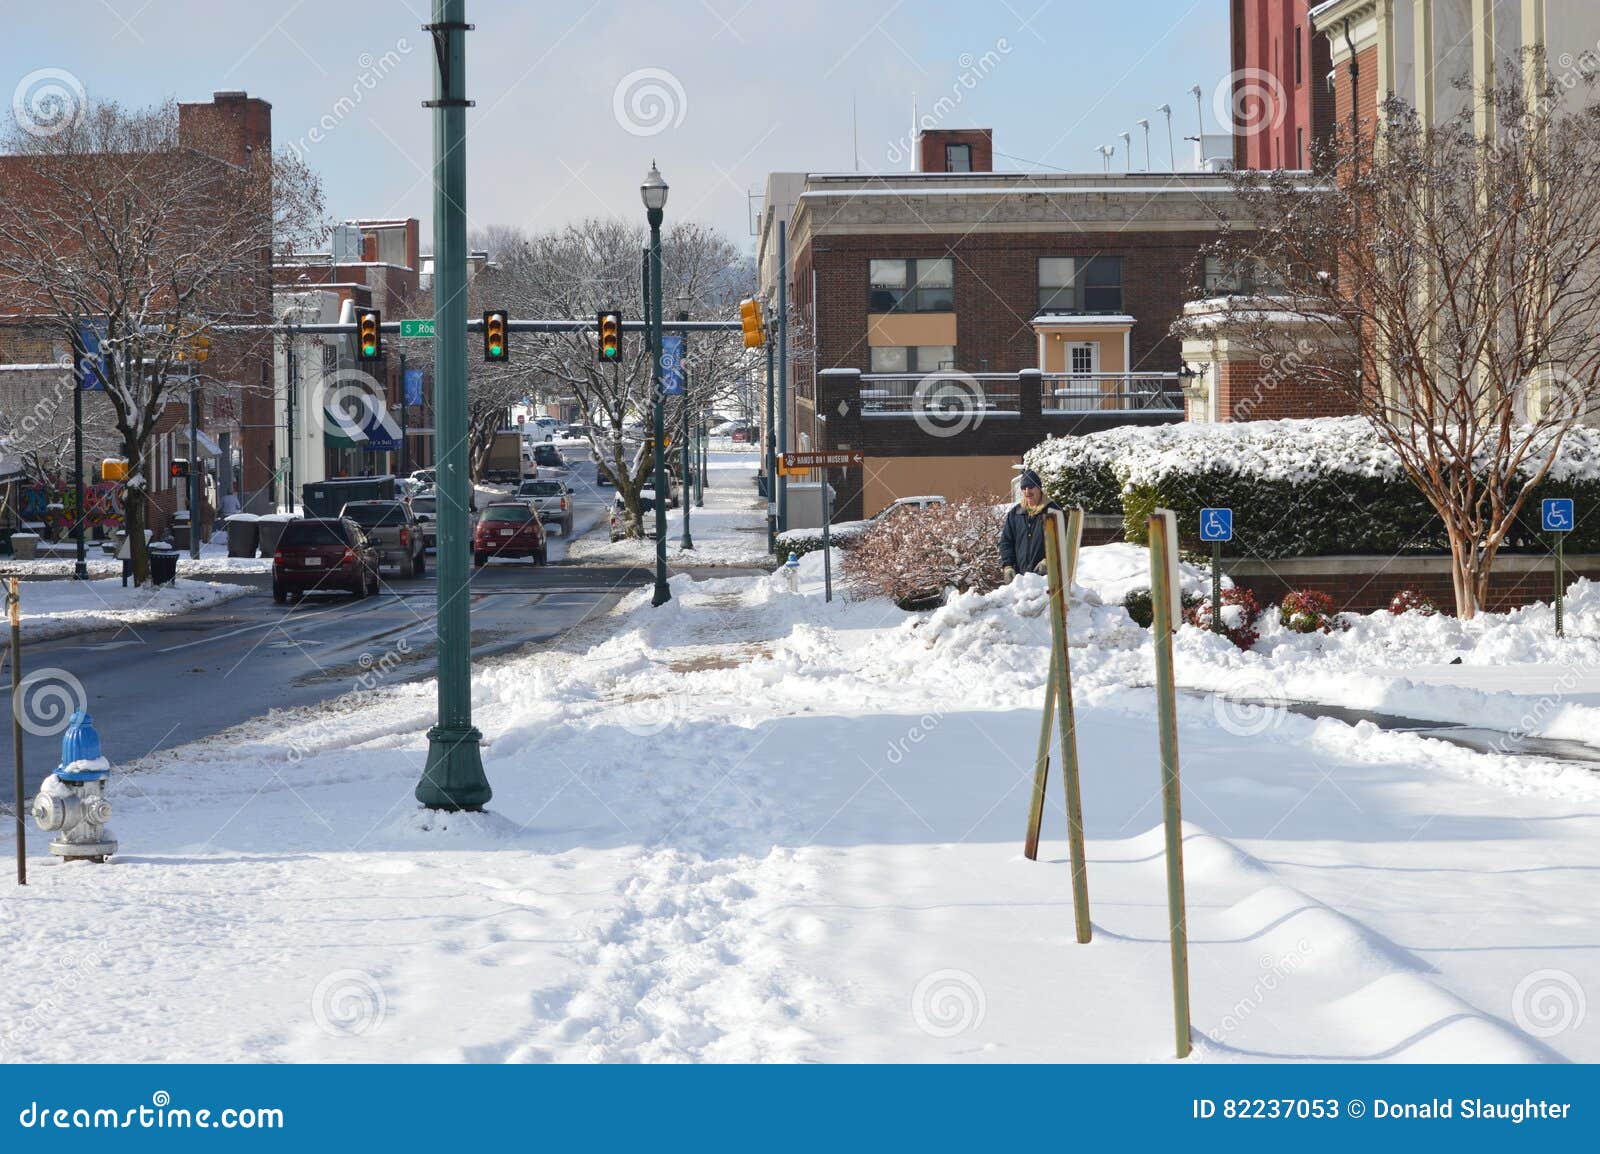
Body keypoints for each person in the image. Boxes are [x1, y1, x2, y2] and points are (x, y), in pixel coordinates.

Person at [999, 469, 1062, 581]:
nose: (1027, 491)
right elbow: (1006, 541)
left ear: (1039, 488)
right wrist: (1008, 566)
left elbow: (1063, 541)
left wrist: (1049, 560)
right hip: (1020, 579)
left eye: (1031, 487)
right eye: (1024, 488)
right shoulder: (1015, 513)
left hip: (1047, 579)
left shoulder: (1053, 511)